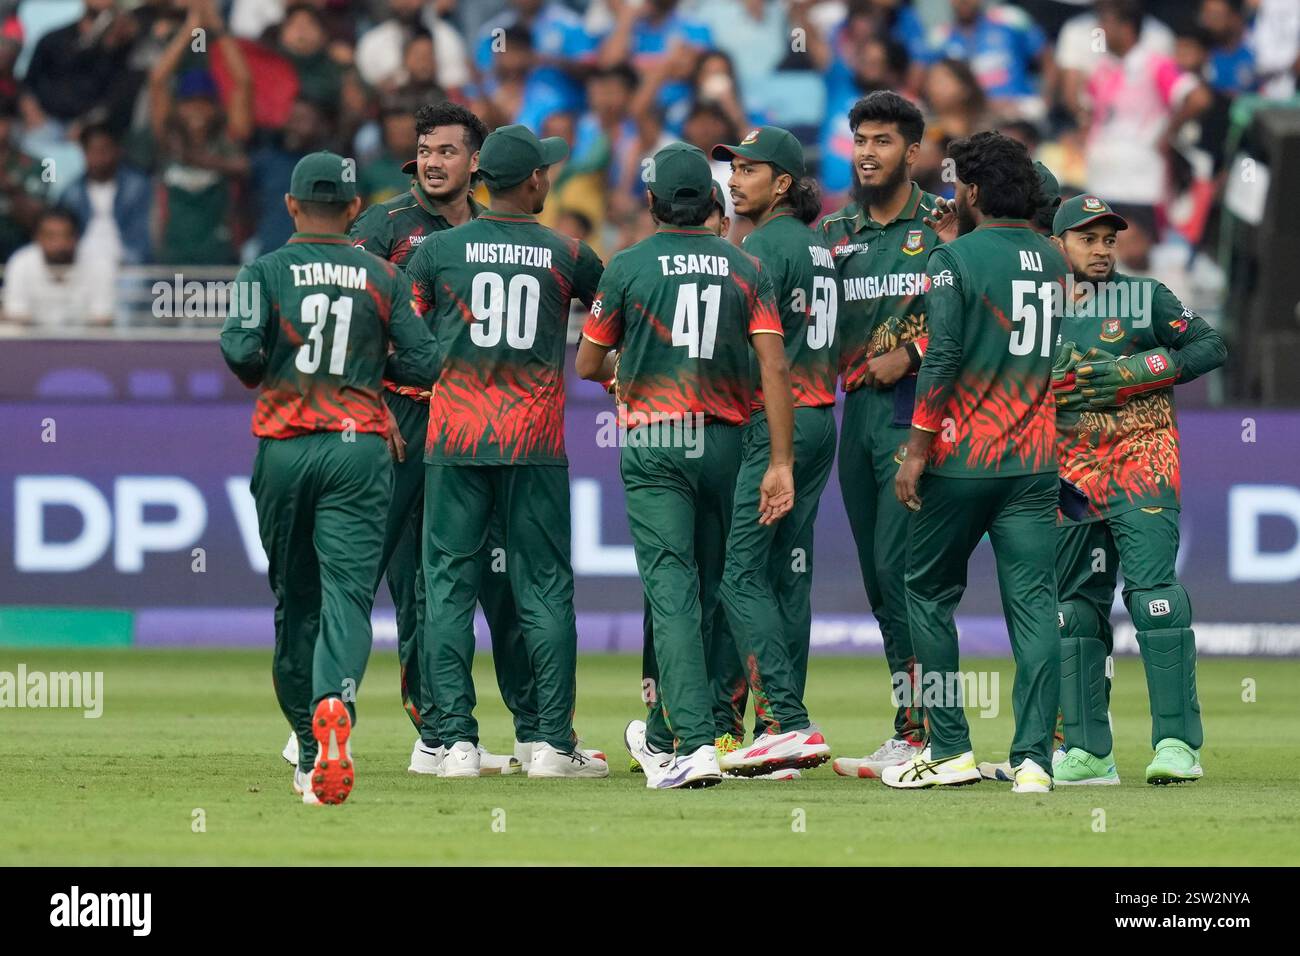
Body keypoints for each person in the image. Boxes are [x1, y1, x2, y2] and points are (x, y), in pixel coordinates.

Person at [220, 151, 441, 806]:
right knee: (348, 596)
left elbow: (240, 352)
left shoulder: (262, 272)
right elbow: (428, 362)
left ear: (291, 206)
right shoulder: (381, 276)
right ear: (351, 209)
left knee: (296, 599)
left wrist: (270, 360)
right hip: (360, 449)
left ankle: (309, 748)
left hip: (286, 448)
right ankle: (333, 702)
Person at [576, 142, 795, 790]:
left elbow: (589, 364)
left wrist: (629, 374)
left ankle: (692, 745)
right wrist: (780, 460)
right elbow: (774, 366)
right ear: (710, 203)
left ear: (649, 203)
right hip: (726, 442)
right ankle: (676, 732)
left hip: (655, 441)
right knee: (713, 587)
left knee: (670, 590)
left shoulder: (627, 266)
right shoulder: (745, 268)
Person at [407, 124, 609, 779]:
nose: (549, 178)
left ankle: (453, 742)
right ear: (532, 182)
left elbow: (403, 342)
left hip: (454, 440)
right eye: (545, 171)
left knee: (446, 589)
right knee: (545, 589)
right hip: (534, 444)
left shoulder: (436, 253)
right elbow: (618, 318)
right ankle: (550, 743)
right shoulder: (568, 253)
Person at [347, 102, 535, 776]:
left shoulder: (489, 233)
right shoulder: (386, 225)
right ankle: (330, 720)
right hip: (400, 420)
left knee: (467, 581)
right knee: (378, 576)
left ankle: (487, 731)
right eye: (425, 149)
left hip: (472, 428)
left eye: (446, 151)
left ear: (476, 162)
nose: (432, 161)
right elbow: (352, 317)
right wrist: (371, 408)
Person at [886, 131, 1068, 794]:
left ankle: (952, 747)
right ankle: (1033, 762)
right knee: (1034, 607)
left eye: (958, 182)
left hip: (963, 460)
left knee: (927, 594)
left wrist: (916, 448)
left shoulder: (952, 260)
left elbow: (940, 359)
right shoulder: (1053, 262)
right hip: (1033, 461)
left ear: (973, 191)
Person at [1049, 194, 1226, 785]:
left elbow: (1209, 345)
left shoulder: (1144, 296)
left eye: (1108, 240)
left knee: (1156, 600)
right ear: (1057, 244)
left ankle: (1177, 744)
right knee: (1074, 612)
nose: (1101, 250)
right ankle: (1088, 753)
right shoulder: (1039, 307)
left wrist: (1134, 372)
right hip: (1069, 475)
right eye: (1087, 239)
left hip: (1141, 466)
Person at [819, 92, 941, 780]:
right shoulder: (833, 233)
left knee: (903, 575)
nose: (869, 152)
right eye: (861, 139)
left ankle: (926, 732)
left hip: (915, 416)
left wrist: (912, 353)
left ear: (913, 153)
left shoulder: (944, 226)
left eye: (884, 141)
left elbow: (974, 319)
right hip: (856, 417)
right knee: (876, 578)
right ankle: (913, 727)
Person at [709, 126, 837, 777]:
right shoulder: (817, 248)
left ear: (782, 183)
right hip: (821, 418)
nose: (735, 179)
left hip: (775, 426)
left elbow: (746, 350)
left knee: (739, 573)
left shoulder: (759, 248)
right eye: (733, 168)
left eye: (749, 170)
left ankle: (785, 721)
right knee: (787, 574)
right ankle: (776, 733)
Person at [2, 207, 111, 328]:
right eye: (51, 236)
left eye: (66, 236)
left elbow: (102, 319)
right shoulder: (21, 263)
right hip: (32, 342)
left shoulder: (98, 265)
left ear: (77, 237)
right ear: (37, 238)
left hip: (85, 343)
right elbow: (16, 315)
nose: (60, 244)